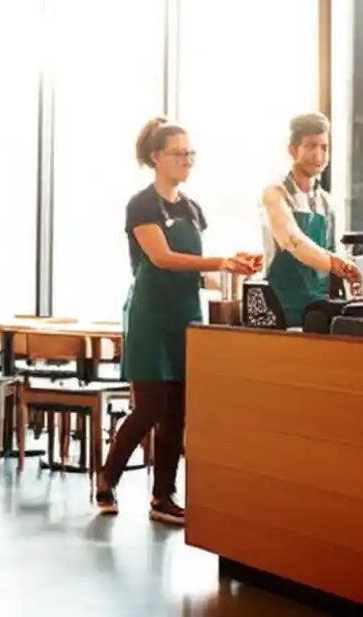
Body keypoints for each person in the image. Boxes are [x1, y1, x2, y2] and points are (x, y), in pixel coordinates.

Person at [95, 117, 257, 526]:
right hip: (150, 315)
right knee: (149, 408)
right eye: (178, 153)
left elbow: (193, 272)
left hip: (186, 314)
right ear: (155, 157)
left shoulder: (192, 208)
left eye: (190, 153)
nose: (187, 160)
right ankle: (106, 479)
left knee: (178, 413)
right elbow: (162, 258)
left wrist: (232, 272)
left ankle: (163, 496)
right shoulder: (142, 204)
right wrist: (219, 260)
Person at [261, 113, 362, 327]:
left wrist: (348, 279)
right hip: (281, 312)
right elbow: (292, 240)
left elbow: (331, 253)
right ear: (292, 150)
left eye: (324, 147)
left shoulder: (326, 203)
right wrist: (336, 263)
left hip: (319, 313)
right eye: (310, 146)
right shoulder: (276, 194)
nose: (318, 155)